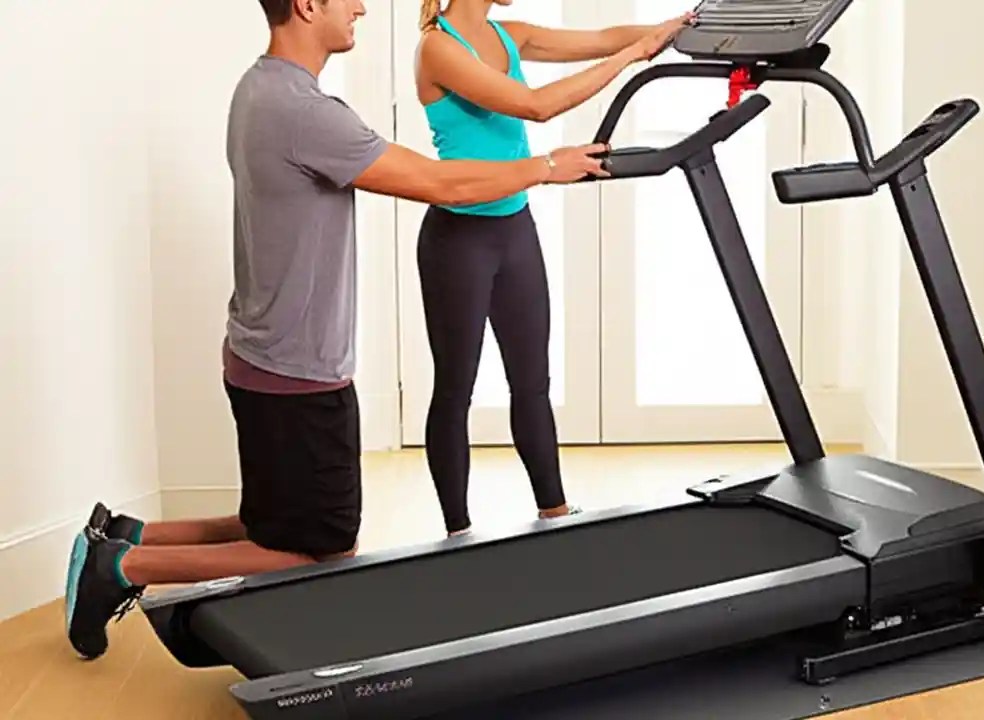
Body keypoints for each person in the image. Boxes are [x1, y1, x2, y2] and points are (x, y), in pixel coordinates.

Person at [63, 0, 608, 661]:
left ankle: (129, 533)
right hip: (297, 371)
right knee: (321, 549)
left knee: (271, 521)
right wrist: (548, 166)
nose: (361, 8)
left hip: (266, 357)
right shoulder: (304, 112)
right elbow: (442, 182)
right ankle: (121, 567)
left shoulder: (260, 87)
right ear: (307, 4)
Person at [413, 0, 694, 536]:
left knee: (533, 383)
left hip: (514, 229)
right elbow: (535, 106)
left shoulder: (510, 36)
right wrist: (635, 55)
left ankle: (555, 514)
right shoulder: (438, 48)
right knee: (455, 388)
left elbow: (601, 37)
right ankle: (457, 534)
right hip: (458, 239)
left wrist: (670, 29)